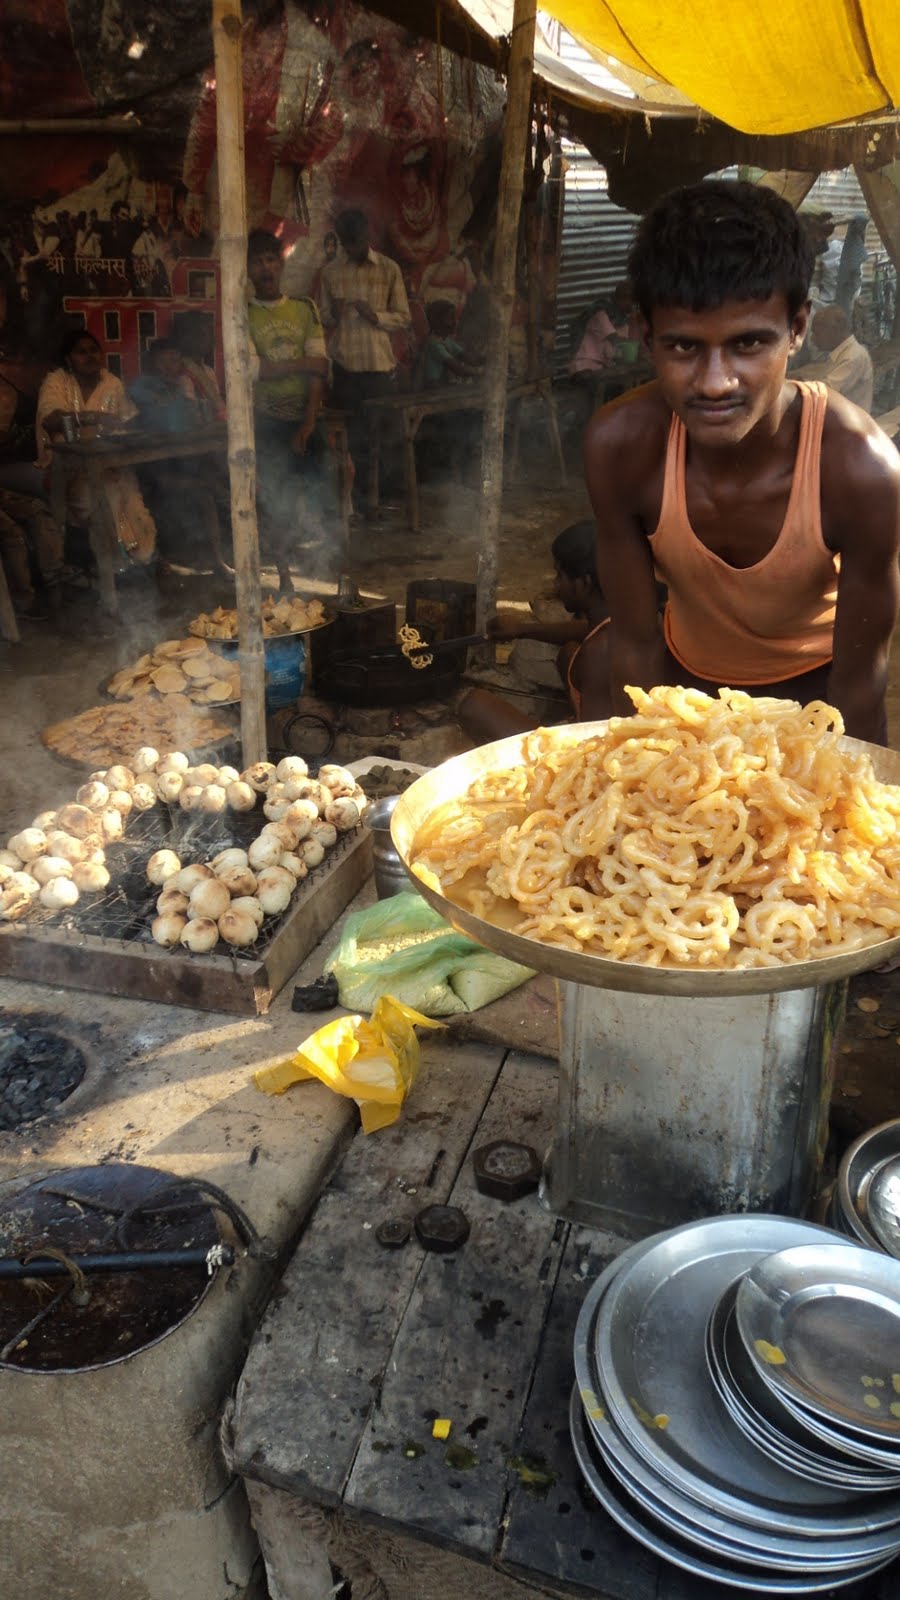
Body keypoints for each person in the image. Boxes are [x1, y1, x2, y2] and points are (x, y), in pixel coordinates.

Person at [582, 180, 900, 746]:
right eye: (683, 347)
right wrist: (638, 776)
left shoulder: (860, 470)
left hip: (813, 707)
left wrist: (845, 802)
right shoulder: (620, 447)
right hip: (684, 694)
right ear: (646, 335)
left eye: (748, 344)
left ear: (797, 329)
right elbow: (634, 644)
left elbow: (860, 685)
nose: (715, 382)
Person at [458, 520, 614, 744]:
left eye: (560, 575)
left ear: (584, 583)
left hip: (587, 755)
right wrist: (521, 629)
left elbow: (598, 749)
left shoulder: (599, 653)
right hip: (596, 726)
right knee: (569, 652)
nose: (555, 584)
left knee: (475, 705)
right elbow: (582, 629)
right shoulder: (623, 616)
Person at [246, 228, 328, 593]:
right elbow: (253, 370)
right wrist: (302, 363)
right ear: (246, 270)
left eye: (269, 260)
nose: (264, 269)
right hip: (267, 422)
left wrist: (308, 422)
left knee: (315, 494)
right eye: (256, 262)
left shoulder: (304, 308)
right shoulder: (243, 315)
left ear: (280, 264)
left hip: (304, 418)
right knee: (276, 501)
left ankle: (318, 568)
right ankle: (283, 575)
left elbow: (320, 369)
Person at [36, 329, 157, 566]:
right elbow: (50, 419)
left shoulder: (111, 383)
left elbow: (127, 421)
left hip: (113, 468)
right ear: (68, 358)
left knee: (134, 506)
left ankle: (141, 562)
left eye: (93, 351)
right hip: (68, 472)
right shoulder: (57, 381)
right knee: (104, 501)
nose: (89, 356)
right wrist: (91, 417)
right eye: (81, 352)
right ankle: (114, 570)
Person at [318, 208, 411, 513]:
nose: (353, 249)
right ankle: (357, 503)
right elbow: (324, 316)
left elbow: (403, 318)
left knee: (385, 438)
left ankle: (384, 499)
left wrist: (376, 316)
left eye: (357, 242)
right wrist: (335, 313)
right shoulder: (331, 272)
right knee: (352, 441)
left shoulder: (388, 269)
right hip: (346, 371)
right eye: (347, 244)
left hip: (380, 370)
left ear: (367, 236)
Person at [129, 338, 231, 575]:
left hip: (183, 463)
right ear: (152, 362)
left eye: (175, 361)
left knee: (208, 492)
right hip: (154, 469)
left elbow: (200, 416)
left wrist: (193, 376)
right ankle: (159, 560)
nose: (169, 367)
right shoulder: (140, 387)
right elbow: (161, 413)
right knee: (199, 490)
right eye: (163, 361)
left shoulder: (183, 385)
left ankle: (217, 560)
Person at [809, 306, 874, 412]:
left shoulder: (852, 357)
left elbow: (825, 391)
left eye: (817, 333)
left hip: (850, 424)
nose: (812, 339)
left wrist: (796, 386)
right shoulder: (845, 352)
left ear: (834, 331)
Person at [421, 299, 482, 388]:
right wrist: (480, 372)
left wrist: (486, 359)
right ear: (436, 322)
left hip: (443, 386)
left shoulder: (446, 340)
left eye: (454, 318)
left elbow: (468, 358)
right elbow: (459, 369)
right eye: (450, 318)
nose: (455, 322)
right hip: (434, 389)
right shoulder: (434, 345)